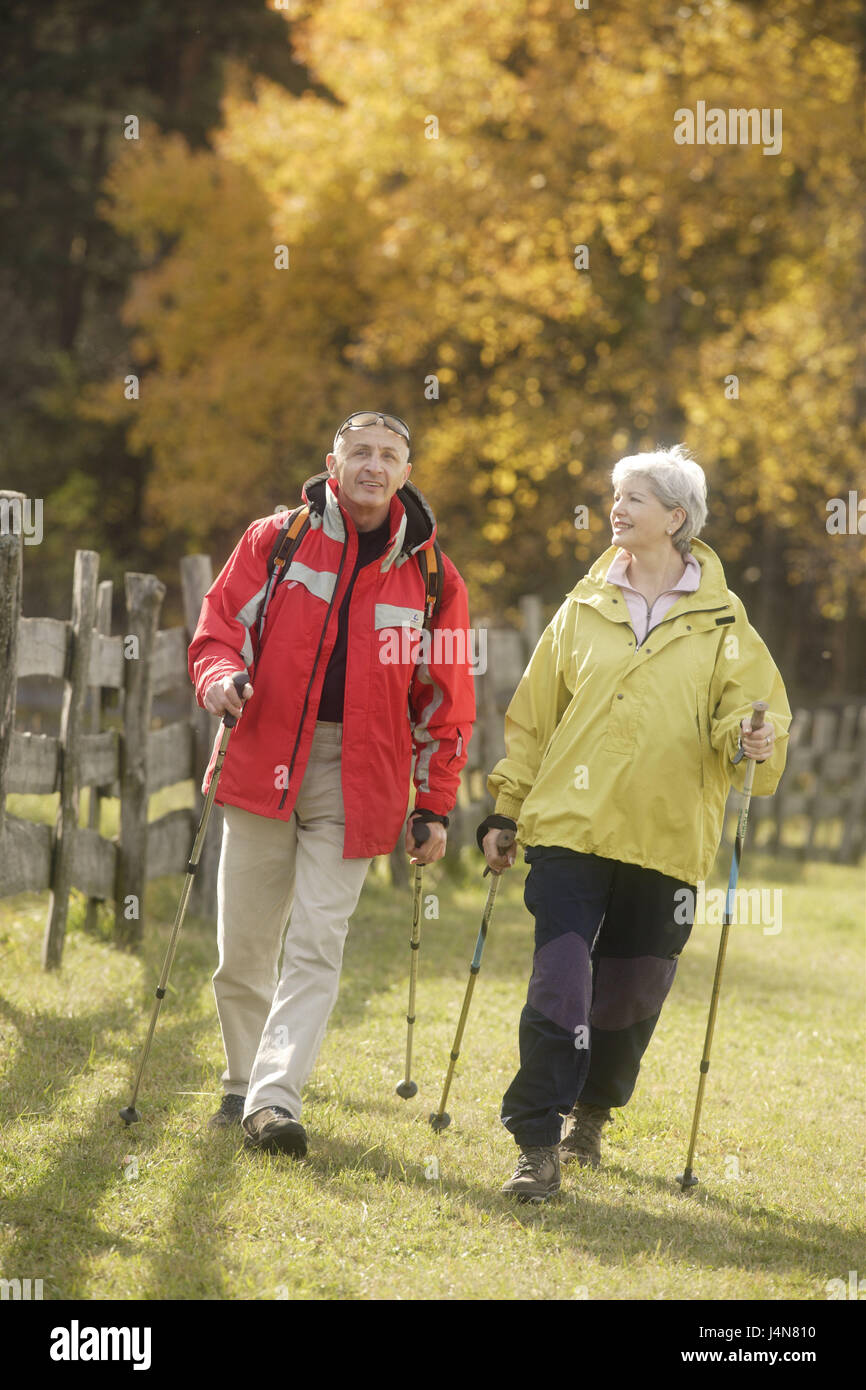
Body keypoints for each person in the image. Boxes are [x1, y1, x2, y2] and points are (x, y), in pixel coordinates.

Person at [476, 445, 791, 1201]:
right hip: (568, 829)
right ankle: (537, 1142)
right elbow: (534, 718)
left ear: (677, 519)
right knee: (560, 980)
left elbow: (752, 715)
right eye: (616, 497)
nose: (616, 509)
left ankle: (593, 1111)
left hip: (666, 834)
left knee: (629, 992)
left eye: (636, 499)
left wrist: (753, 739)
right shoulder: (582, 607)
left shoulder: (724, 624)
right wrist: (506, 807)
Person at [188, 411, 475, 1156]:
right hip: (263, 756)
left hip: (363, 775)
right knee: (244, 946)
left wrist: (435, 802)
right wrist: (219, 677)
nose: (374, 466)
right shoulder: (274, 539)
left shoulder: (436, 578)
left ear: (407, 472)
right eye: (361, 453)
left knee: (318, 941)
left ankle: (274, 1101)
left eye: (389, 455)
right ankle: (240, 1077)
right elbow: (220, 626)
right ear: (333, 462)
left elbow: (447, 700)